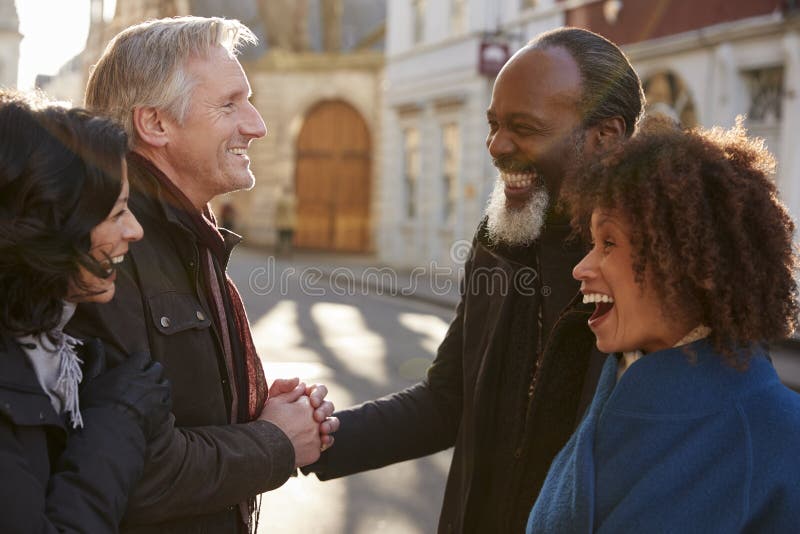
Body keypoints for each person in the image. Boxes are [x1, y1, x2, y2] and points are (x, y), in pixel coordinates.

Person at [302, 27, 645, 532]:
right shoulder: (497, 245)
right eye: (494, 124)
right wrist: (317, 437)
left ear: (605, 138)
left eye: (523, 127)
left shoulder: (664, 276)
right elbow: (446, 401)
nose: (496, 145)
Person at [66, 17, 338, 533]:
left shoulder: (189, 234)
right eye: (230, 104)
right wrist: (275, 442)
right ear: (156, 124)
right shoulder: (112, 251)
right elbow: (128, 473)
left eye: (250, 101)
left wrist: (254, 409)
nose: (257, 124)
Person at [528, 118, 800, 532]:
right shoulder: (612, 377)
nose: (582, 268)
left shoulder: (781, 437)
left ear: (690, 265)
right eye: (592, 243)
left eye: (610, 243)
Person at [0, 90, 171, 532]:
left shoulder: (54, 350)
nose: (134, 230)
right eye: (116, 212)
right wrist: (119, 417)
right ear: (53, 224)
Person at [274, 184, 297, 256]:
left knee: (281, 237)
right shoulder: (293, 199)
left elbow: (277, 210)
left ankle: (280, 251)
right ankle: (288, 251)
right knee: (289, 238)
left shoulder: (280, 200)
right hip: (290, 221)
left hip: (281, 221)